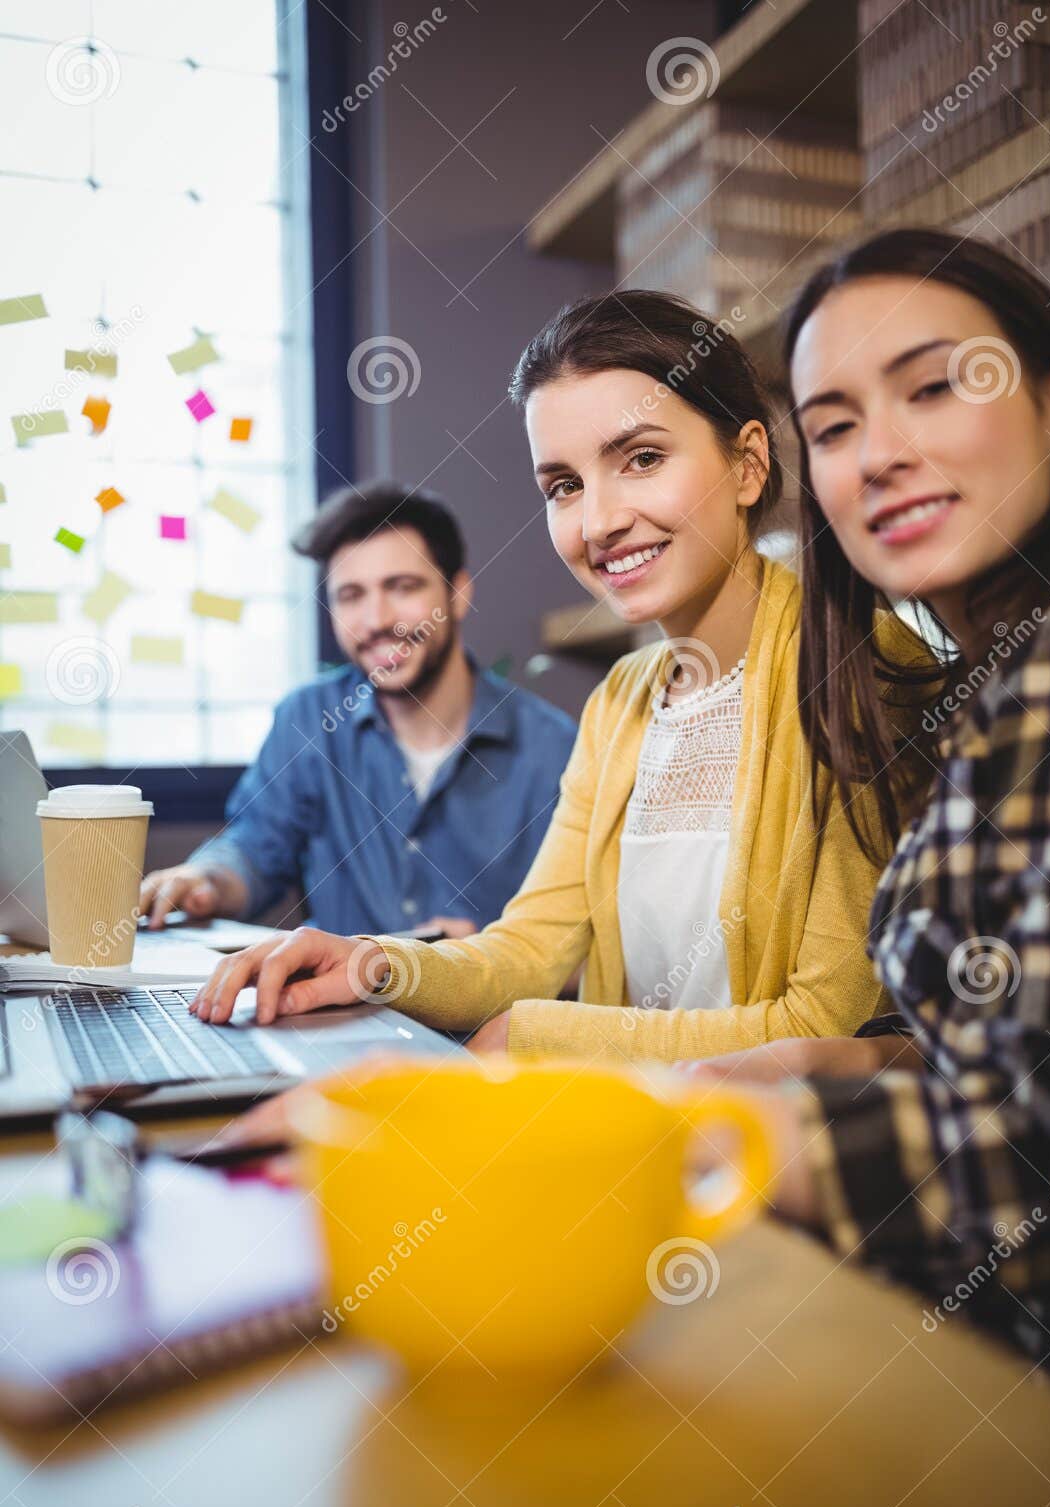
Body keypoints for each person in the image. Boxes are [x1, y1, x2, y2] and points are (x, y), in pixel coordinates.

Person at [189, 291, 928, 1059]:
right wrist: (374, 962)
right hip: (629, 1145)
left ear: (747, 464)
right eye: (563, 486)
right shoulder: (621, 700)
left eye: (641, 459)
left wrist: (534, 1036)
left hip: (776, 1165)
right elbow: (534, 945)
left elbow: (823, 1030)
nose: (598, 521)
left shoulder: (864, 673)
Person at [684, 228, 1050, 1367]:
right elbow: (1016, 1048)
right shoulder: (986, 685)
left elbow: (1033, 1161)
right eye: (837, 426)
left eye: (934, 387)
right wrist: (849, 1061)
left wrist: (708, 1132)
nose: (879, 455)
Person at [139, 482, 576, 937]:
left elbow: (588, 940)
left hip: (490, 1008)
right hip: (342, 1008)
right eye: (351, 596)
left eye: (402, 587)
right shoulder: (309, 720)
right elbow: (254, 849)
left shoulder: (551, 747)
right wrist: (204, 879)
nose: (376, 620)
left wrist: (489, 957)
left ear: (458, 594)